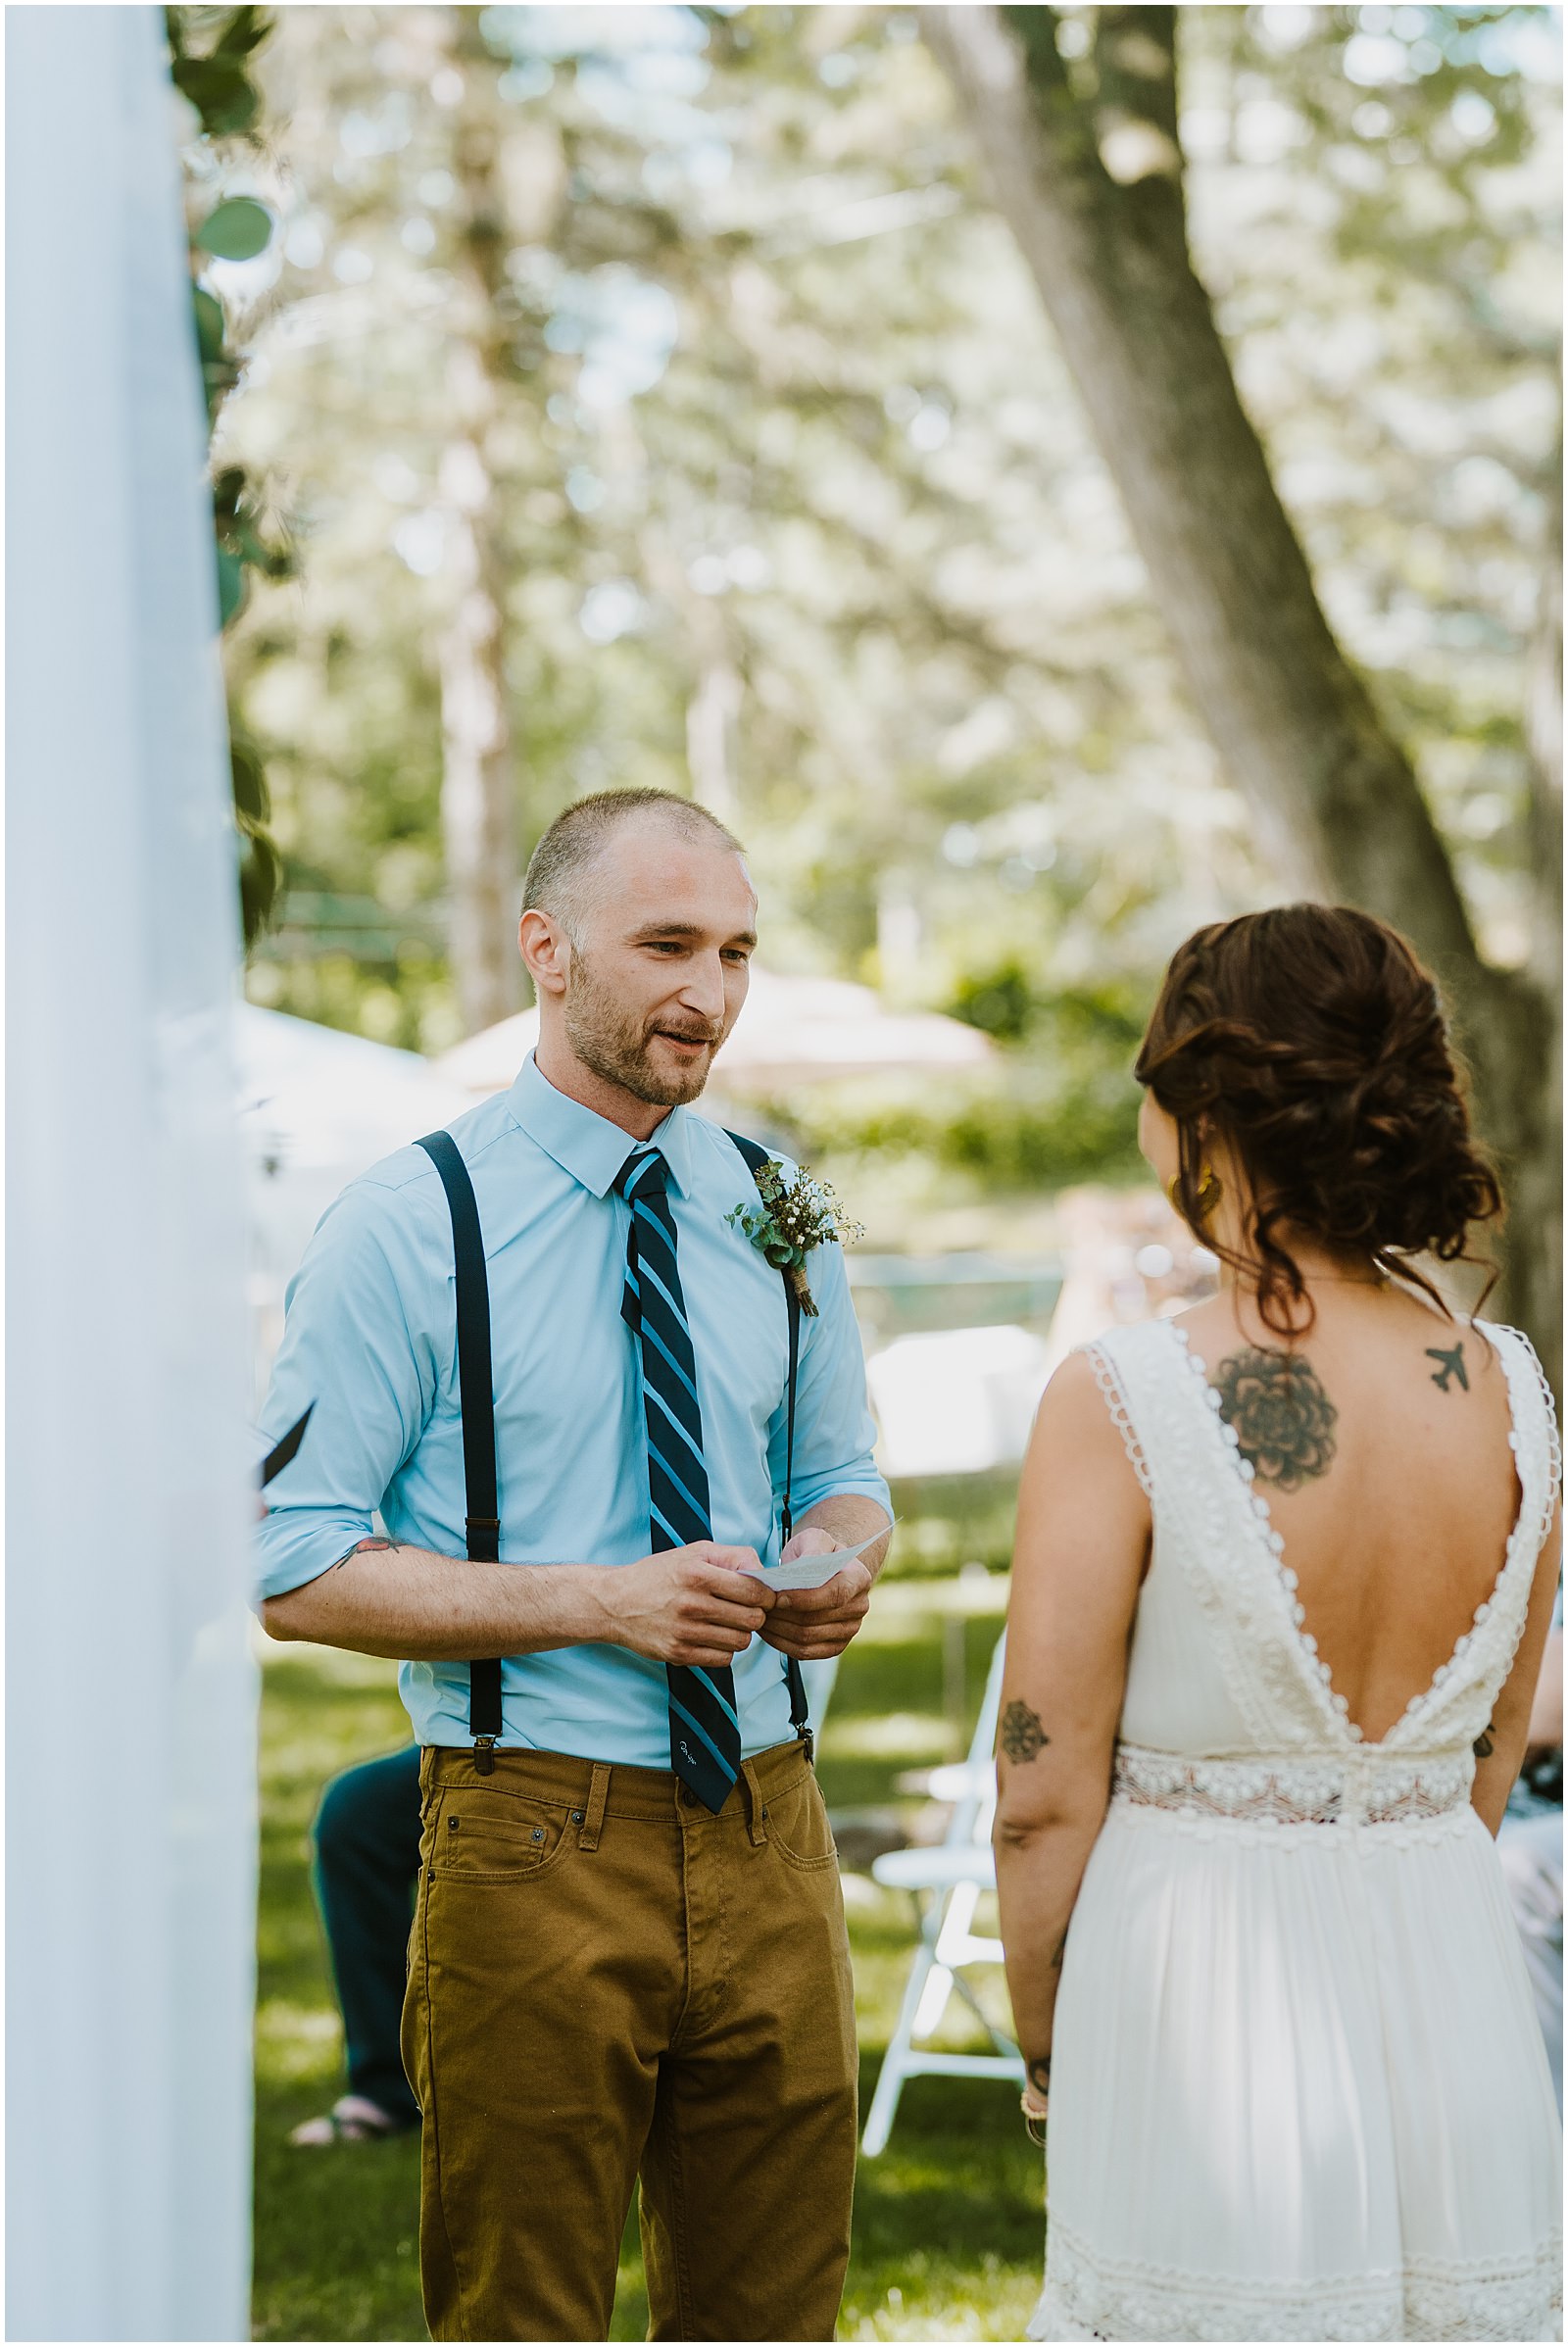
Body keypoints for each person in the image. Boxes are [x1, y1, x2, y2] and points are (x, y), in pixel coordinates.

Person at [255, 788, 892, 2342]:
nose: (712, 992)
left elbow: (845, 1475)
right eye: (669, 944)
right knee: (520, 2317)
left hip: (773, 1827)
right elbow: (288, 1563)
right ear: (546, 949)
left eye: (738, 951)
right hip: (531, 1836)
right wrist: (599, 1604)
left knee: (773, 2315)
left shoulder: (777, 1196)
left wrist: (838, 1560)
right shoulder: (411, 1223)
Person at [996, 905, 1562, 2343]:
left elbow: (1041, 1796)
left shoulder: (1120, 1394)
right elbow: (1493, 1752)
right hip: (1452, 1963)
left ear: (1204, 1112)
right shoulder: (1512, 1389)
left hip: (1200, 2000)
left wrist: (1052, 2041)